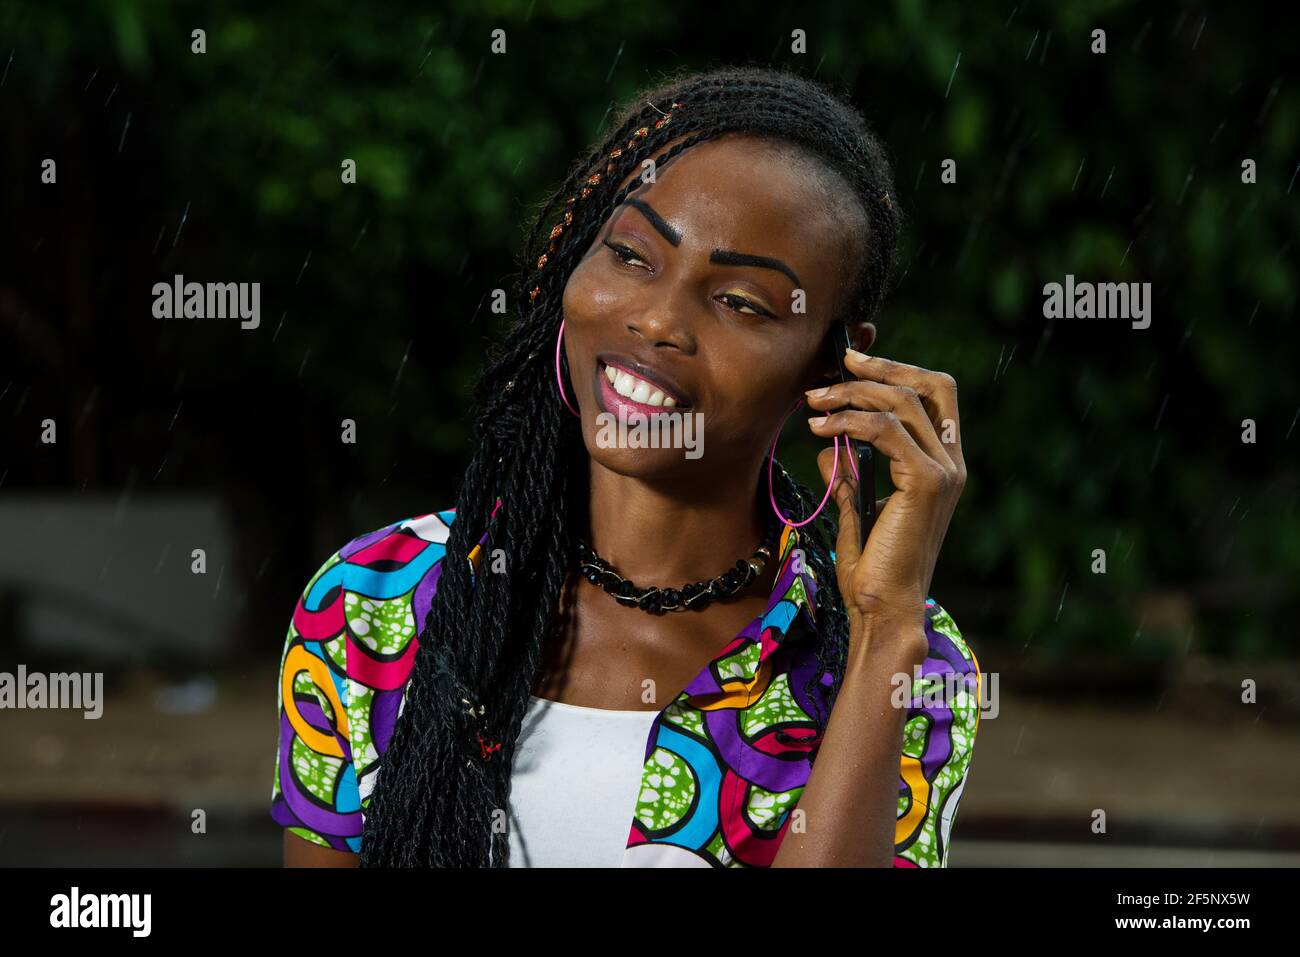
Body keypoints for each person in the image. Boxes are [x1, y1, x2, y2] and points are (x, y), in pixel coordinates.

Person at [272, 64, 981, 868]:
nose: (657, 320)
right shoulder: (375, 602)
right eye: (634, 257)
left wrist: (886, 631)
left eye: (742, 302)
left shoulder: (907, 667)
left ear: (830, 367)